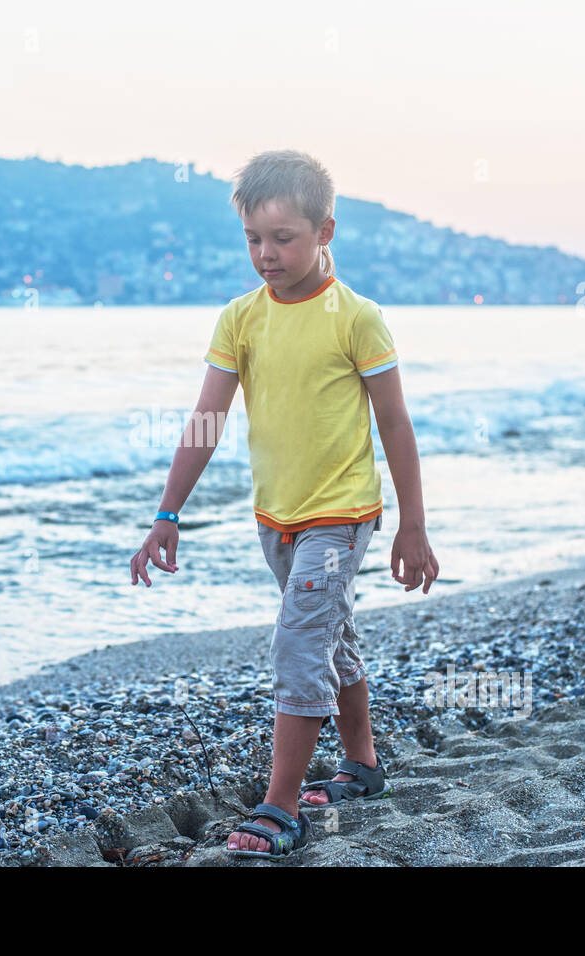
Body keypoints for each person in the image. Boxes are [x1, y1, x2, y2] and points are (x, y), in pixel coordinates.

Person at [129, 149, 438, 860]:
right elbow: (206, 420)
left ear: (325, 230)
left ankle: (281, 805)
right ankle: (361, 763)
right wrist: (167, 514)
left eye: (284, 238)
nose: (267, 254)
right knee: (332, 637)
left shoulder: (356, 318)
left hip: (342, 515)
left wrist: (412, 524)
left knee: (299, 642)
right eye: (253, 239)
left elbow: (394, 422)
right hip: (277, 519)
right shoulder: (241, 319)